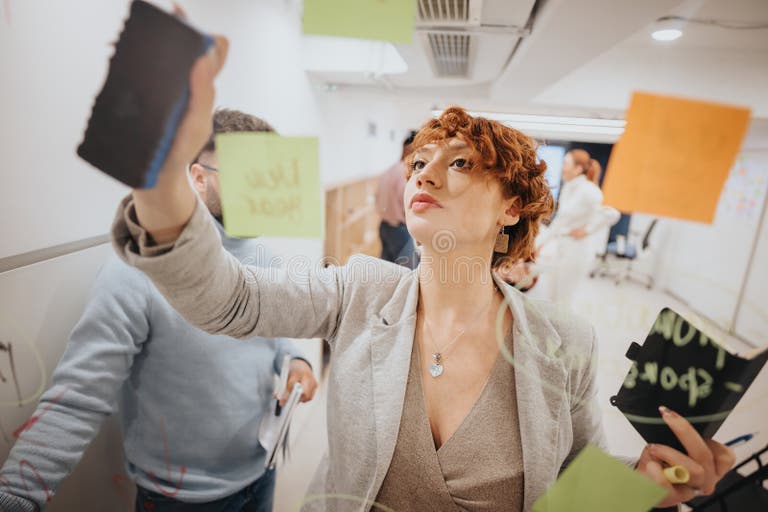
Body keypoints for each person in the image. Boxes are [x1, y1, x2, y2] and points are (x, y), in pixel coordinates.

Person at [108, 38, 733, 511]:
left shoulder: (563, 343)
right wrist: (163, 180)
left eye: (458, 163)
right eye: (418, 163)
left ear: (511, 206)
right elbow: (230, 302)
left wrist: (642, 486)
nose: (424, 176)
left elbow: (569, 486)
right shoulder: (358, 291)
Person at [0, 109, 318, 512]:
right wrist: (16, 496)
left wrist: (294, 360)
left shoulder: (263, 256)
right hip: (180, 500)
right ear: (199, 178)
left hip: (260, 473)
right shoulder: (137, 271)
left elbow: (272, 333)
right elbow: (78, 397)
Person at [534, 149, 619, 306]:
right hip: (563, 247)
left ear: (578, 169)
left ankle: (562, 330)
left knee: (563, 299)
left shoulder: (589, 190)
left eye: (566, 163)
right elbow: (560, 222)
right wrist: (539, 244)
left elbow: (612, 214)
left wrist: (587, 230)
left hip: (577, 251)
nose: (562, 168)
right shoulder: (569, 187)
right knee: (552, 296)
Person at [375, 130, 419, 268]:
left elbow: (377, 198)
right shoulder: (405, 173)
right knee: (409, 273)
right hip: (399, 230)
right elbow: (407, 203)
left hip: (384, 226)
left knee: (386, 271)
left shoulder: (390, 170)